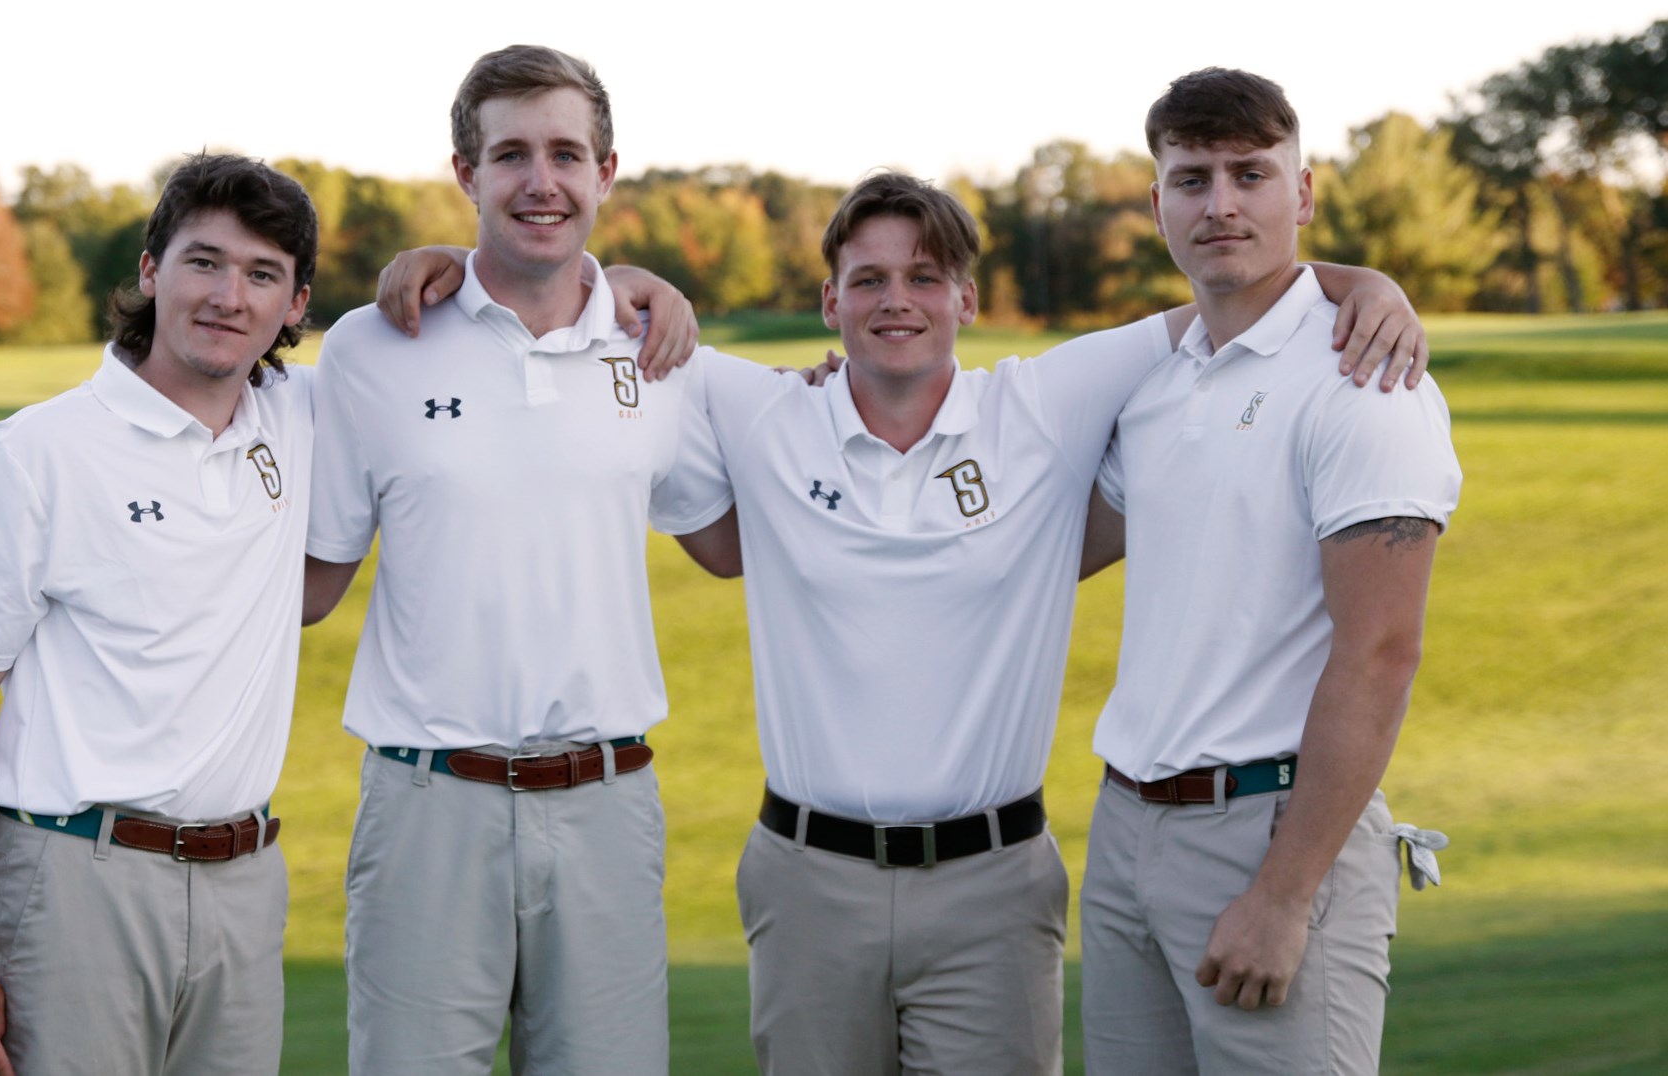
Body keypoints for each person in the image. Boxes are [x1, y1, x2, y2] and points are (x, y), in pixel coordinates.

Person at [377, 171, 1427, 1073]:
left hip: (992, 885)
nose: (896, 300)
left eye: (923, 276)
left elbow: (1231, 297)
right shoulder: (756, 409)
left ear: (966, 297)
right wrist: (451, 260)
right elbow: (569, 303)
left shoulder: (1046, 401)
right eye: (868, 279)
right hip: (806, 881)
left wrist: (1360, 283)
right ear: (827, 298)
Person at [300, 45, 738, 1075]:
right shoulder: (371, 345)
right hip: (424, 804)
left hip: (605, 800)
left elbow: (726, 543)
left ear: (605, 170)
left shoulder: (657, 348)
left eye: (564, 153)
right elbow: (308, 579)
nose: (539, 181)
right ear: (465, 174)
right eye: (509, 155)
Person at [1077, 67, 1461, 1075]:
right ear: (1154, 198)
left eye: (1250, 174)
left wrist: (1285, 892)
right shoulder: (1157, 382)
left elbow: (1378, 651)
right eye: (1190, 178)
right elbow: (1044, 551)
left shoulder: (1362, 384)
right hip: (1125, 833)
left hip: (1271, 836)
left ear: (1302, 193)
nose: (1219, 204)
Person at [0, 154, 319, 1076]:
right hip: (72, 884)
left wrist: (622, 284)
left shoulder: (299, 420)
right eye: (203, 261)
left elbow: (451, 324)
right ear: (149, 270)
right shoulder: (37, 452)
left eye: (262, 275)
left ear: (294, 306)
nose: (227, 296)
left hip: (245, 889)